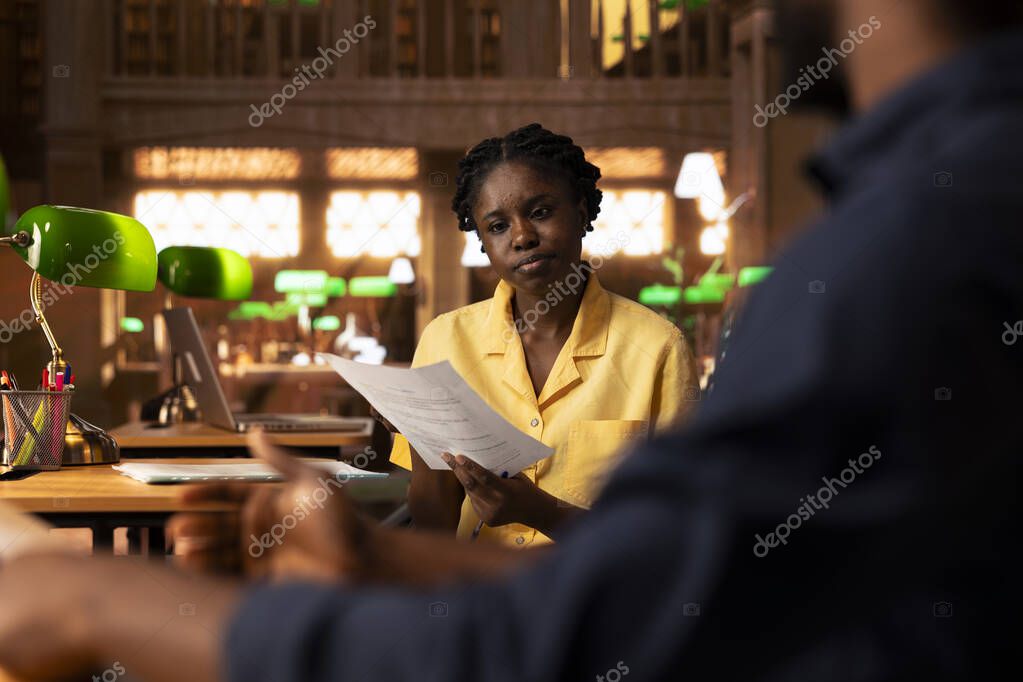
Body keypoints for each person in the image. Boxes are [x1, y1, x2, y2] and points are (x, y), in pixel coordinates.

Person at [1, 0, 1021, 680]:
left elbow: (600, 627)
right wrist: (380, 549)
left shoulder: (910, 246)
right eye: (497, 222)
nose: (522, 237)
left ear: (581, 218)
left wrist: (89, 600)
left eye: (542, 213)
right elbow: (697, 601)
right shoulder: (935, 211)